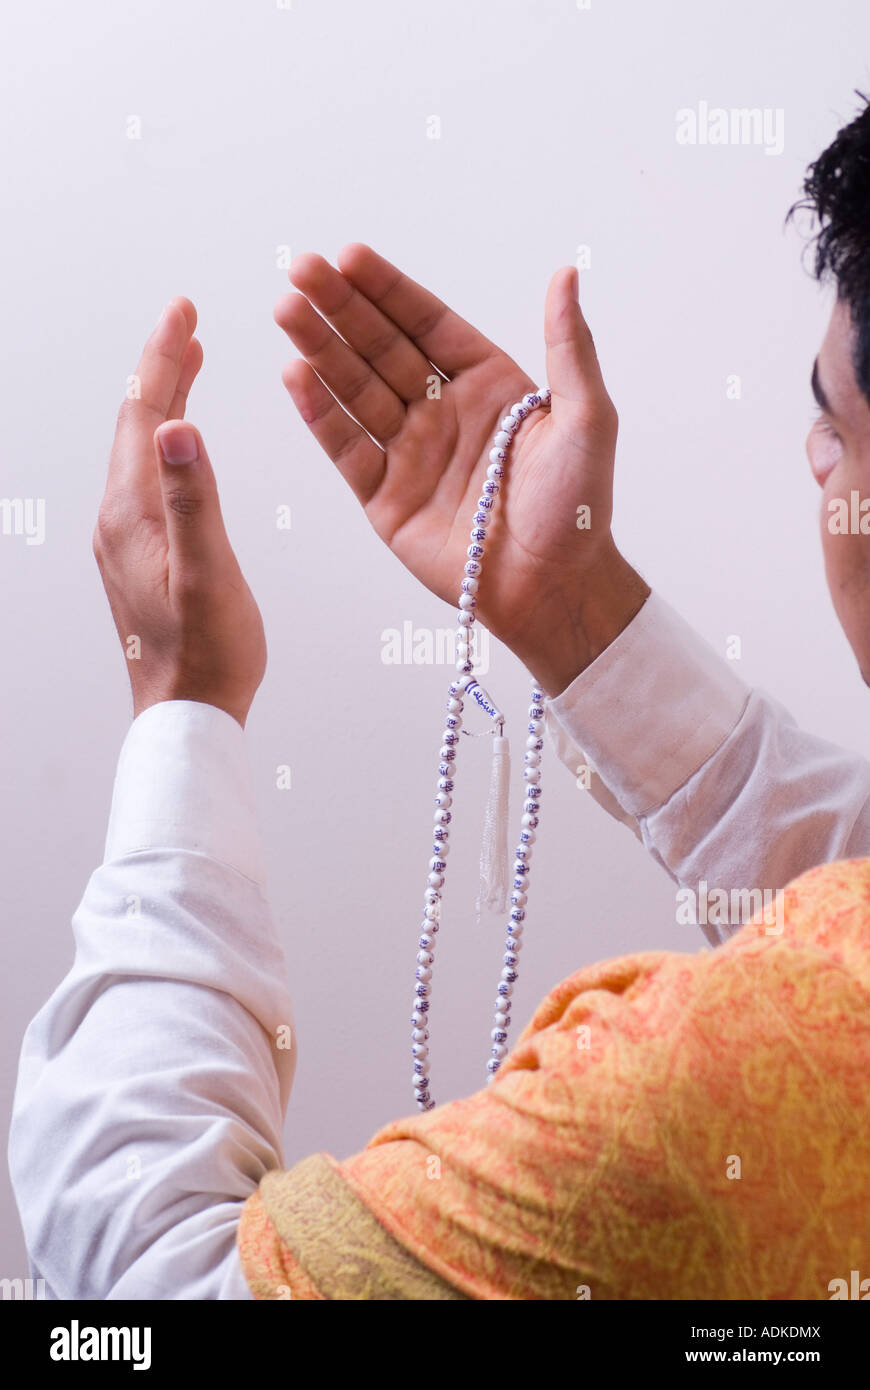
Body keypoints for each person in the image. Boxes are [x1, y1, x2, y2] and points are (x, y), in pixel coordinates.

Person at [8, 94, 870, 1301]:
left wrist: (182, 705)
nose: (812, 460)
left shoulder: (685, 1105)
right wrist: (572, 615)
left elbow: (141, 1296)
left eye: (830, 422)